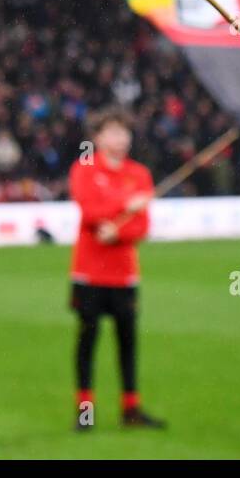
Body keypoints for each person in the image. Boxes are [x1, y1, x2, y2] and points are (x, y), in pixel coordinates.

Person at [66, 107, 166, 431]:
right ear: (98, 137)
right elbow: (89, 209)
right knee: (88, 339)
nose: (120, 138)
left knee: (127, 342)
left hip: (124, 274)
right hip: (89, 272)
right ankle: (85, 411)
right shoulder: (84, 169)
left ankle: (131, 409)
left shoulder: (139, 175)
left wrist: (118, 231)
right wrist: (124, 206)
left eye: (124, 132)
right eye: (112, 132)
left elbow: (142, 227)